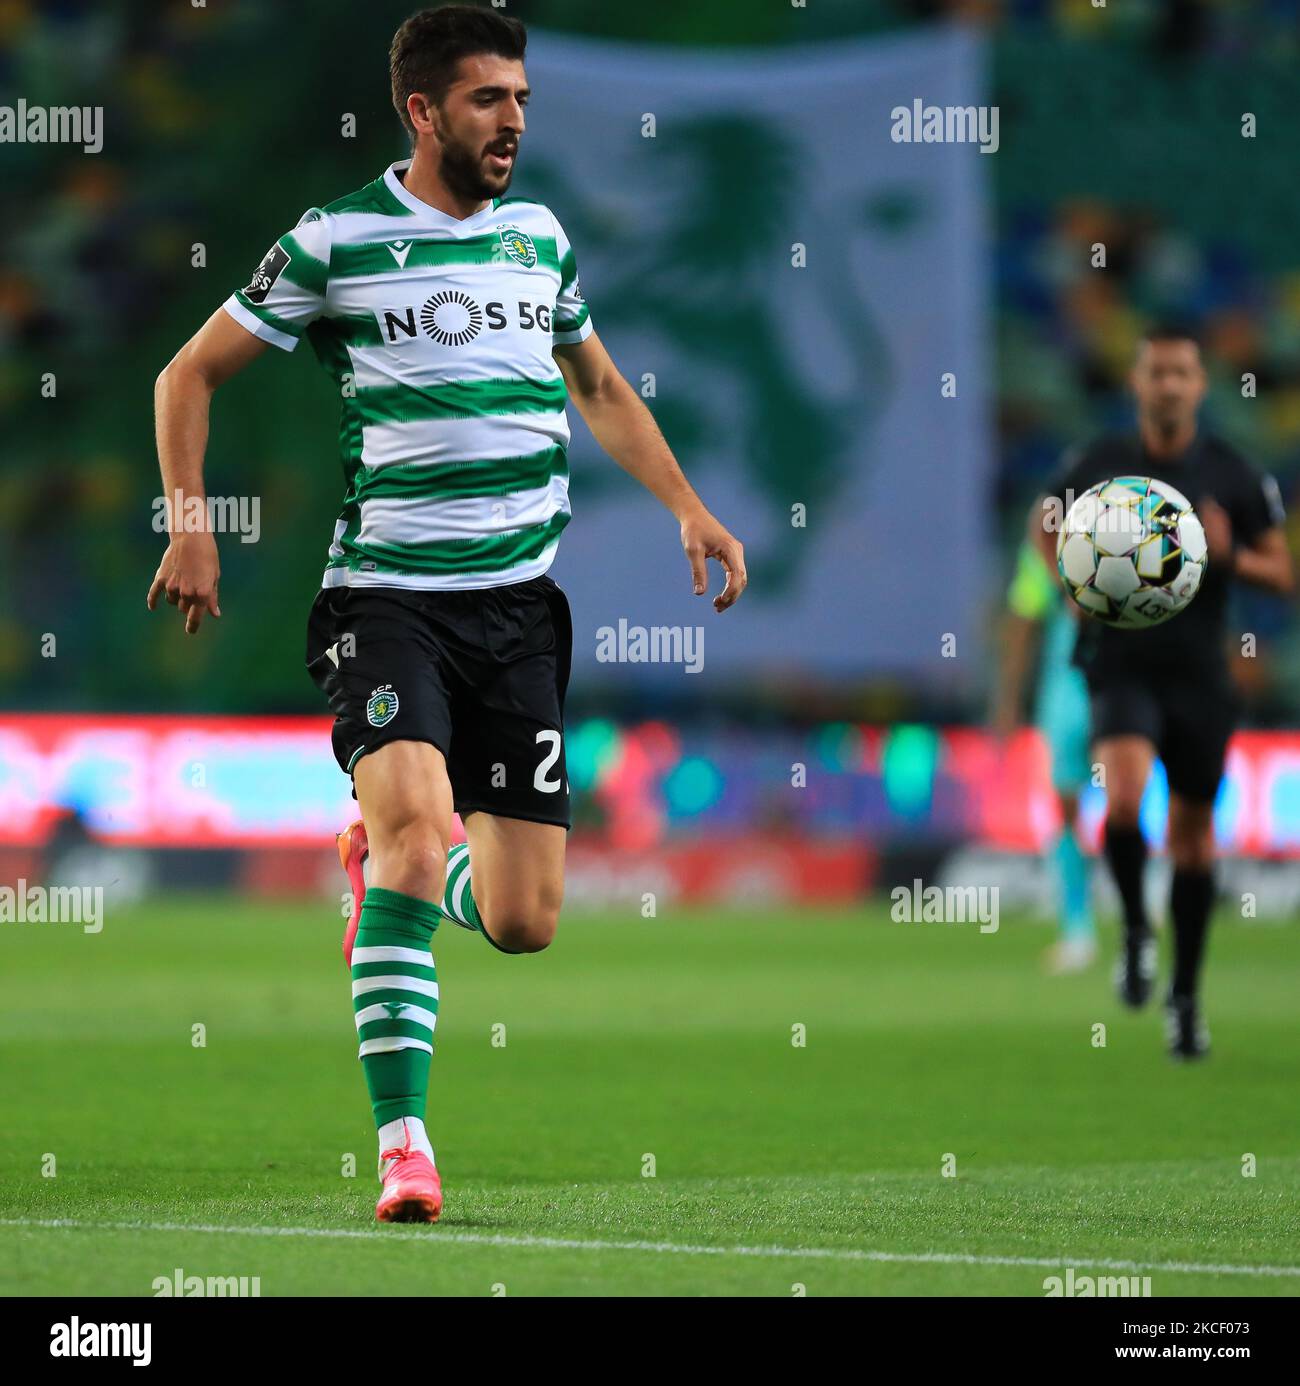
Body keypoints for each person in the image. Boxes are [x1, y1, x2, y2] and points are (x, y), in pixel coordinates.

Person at [148, 4, 747, 1220]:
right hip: (386, 606)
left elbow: (599, 384)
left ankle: (386, 864)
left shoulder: (539, 240)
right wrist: (191, 521)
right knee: (423, 837)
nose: (514, 120)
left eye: (521, 98)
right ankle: (404, 1143)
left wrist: (688, 503)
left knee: (523, 922)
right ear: (422, 112)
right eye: (488, 99)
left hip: (519, 612)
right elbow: (187, 373)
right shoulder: (337, 240)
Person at [1035, 325, 1291, 1059]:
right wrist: (1068, 581)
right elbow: (1043, 522)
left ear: (1201, 385)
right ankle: (1138, 934)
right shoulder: (1101, 462)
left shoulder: (1234, 474)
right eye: (1157, 372)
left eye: (1182, 372)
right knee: (1120, 798)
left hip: (1200, 673)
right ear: (1137, 383)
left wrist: (1229, 551)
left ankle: (1185, 997)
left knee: (1191, 839)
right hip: (1119, 661)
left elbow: (1283, 573)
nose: (1169, 385)